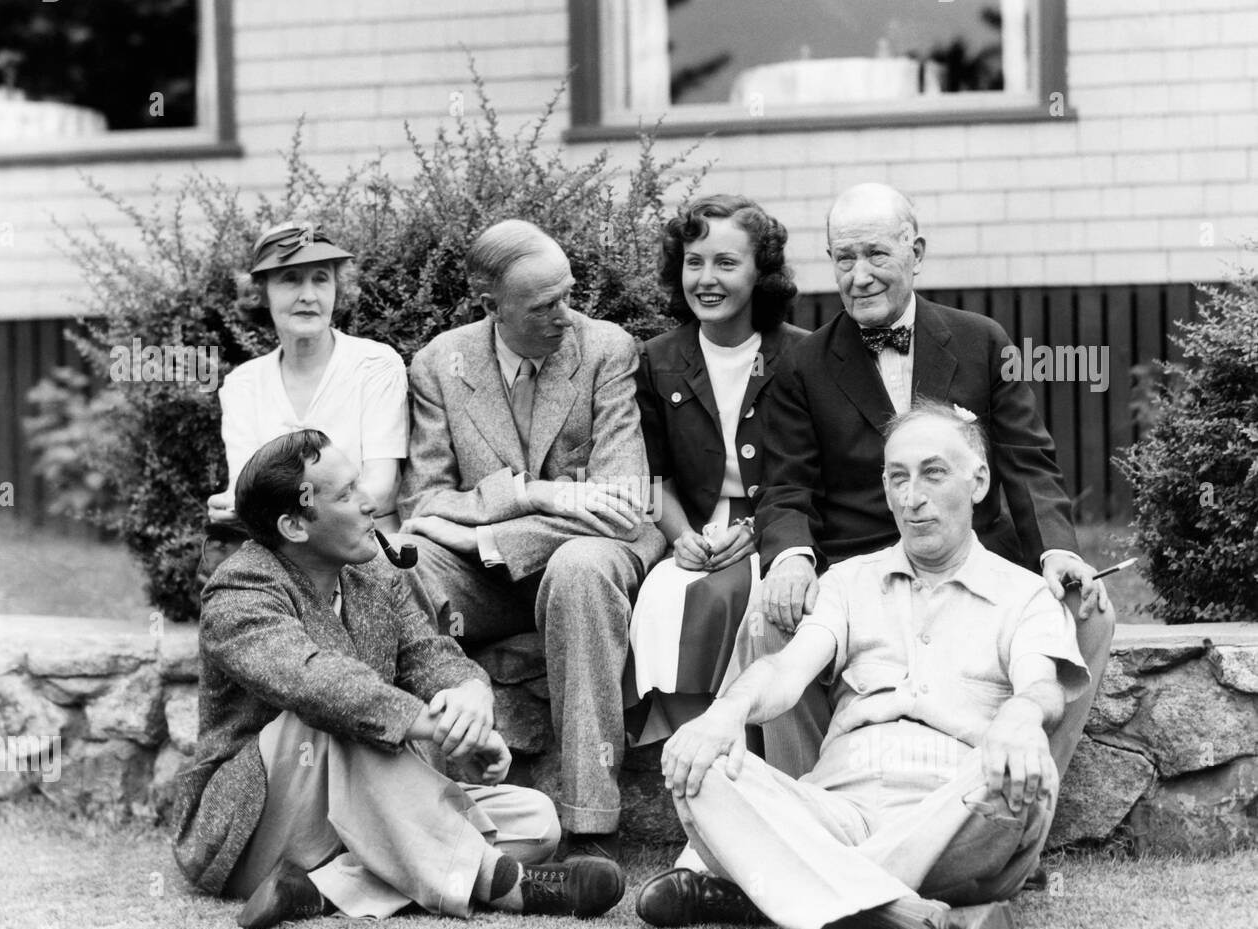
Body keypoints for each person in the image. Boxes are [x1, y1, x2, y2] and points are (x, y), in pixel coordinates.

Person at [636, 403, 1102, 929]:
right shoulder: (849, 581)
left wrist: (1020, 720)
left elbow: (1042, 689)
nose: (912, 497)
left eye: (933, 474)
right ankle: (916, 918)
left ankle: (768, 886)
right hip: (839, 807)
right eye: (897, 477)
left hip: (954, 808)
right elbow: (785, 671)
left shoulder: (1025, 594)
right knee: (699, 767)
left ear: (978, 480)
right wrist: (726, 711)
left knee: (1021, 782)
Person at [172, 429, 626, 929]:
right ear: (294, 526)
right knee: (335, 715)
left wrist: (471, 700)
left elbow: (432, 655)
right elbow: (313, 682)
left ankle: (317, 892)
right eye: (345, 494)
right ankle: (506, 884)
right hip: (253, 826)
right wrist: (435, 728)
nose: (370, 502)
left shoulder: (375, 573)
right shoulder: (240, 587)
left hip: (355, 819)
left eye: (359, 484)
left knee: (536, 820)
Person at [744, 181, 1111, 755]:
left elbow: (1026, 460)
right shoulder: (800, 364)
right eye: (844, 258)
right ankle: (812, 801)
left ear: (915, 253)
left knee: (1089, 616)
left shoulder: (982, 341)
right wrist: (791, 557)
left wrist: (1056, 550)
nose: (858, 275)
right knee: (769, 622)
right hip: (863, 576)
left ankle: (1025, 799)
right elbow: (786, 484)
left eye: (876, 255)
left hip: (975, 568)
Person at [394, 219, 665, 861]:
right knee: (407, 562)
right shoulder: (439, 363)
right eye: (546, 306)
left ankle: (590, 827)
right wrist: (533, 494)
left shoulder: (607, 349)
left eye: (569, 295)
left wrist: (489, 541)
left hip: (592, 554)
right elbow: (424, 504)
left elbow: (623, 502)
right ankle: (410, 806)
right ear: (493, 308)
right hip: (486, 579)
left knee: (577, 569)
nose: (566, 316)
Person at [628, 194, 822, 775]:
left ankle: (755, 763)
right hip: (693, 530)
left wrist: (757, 526)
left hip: (781, 526)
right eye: (693, 262)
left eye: (726, 263)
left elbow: (813, 472)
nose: (706, 279)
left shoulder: (802, 354)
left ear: (761, 272)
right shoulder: (657, 359)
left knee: (737, 598)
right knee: (666, 598)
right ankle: (698, 768)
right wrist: (681, 535)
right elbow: (651, 471)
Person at [206, 221, 408, 535]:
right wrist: (230, 504)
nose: (309, 295)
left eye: (321, 279)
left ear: (336, 290)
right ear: (260, 292)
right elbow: (245, 487)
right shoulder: (242, 385)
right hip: (280, 553)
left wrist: (277, 511)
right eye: (291, 280)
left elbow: (380, 487)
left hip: (368, 546)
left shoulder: (375, 365)